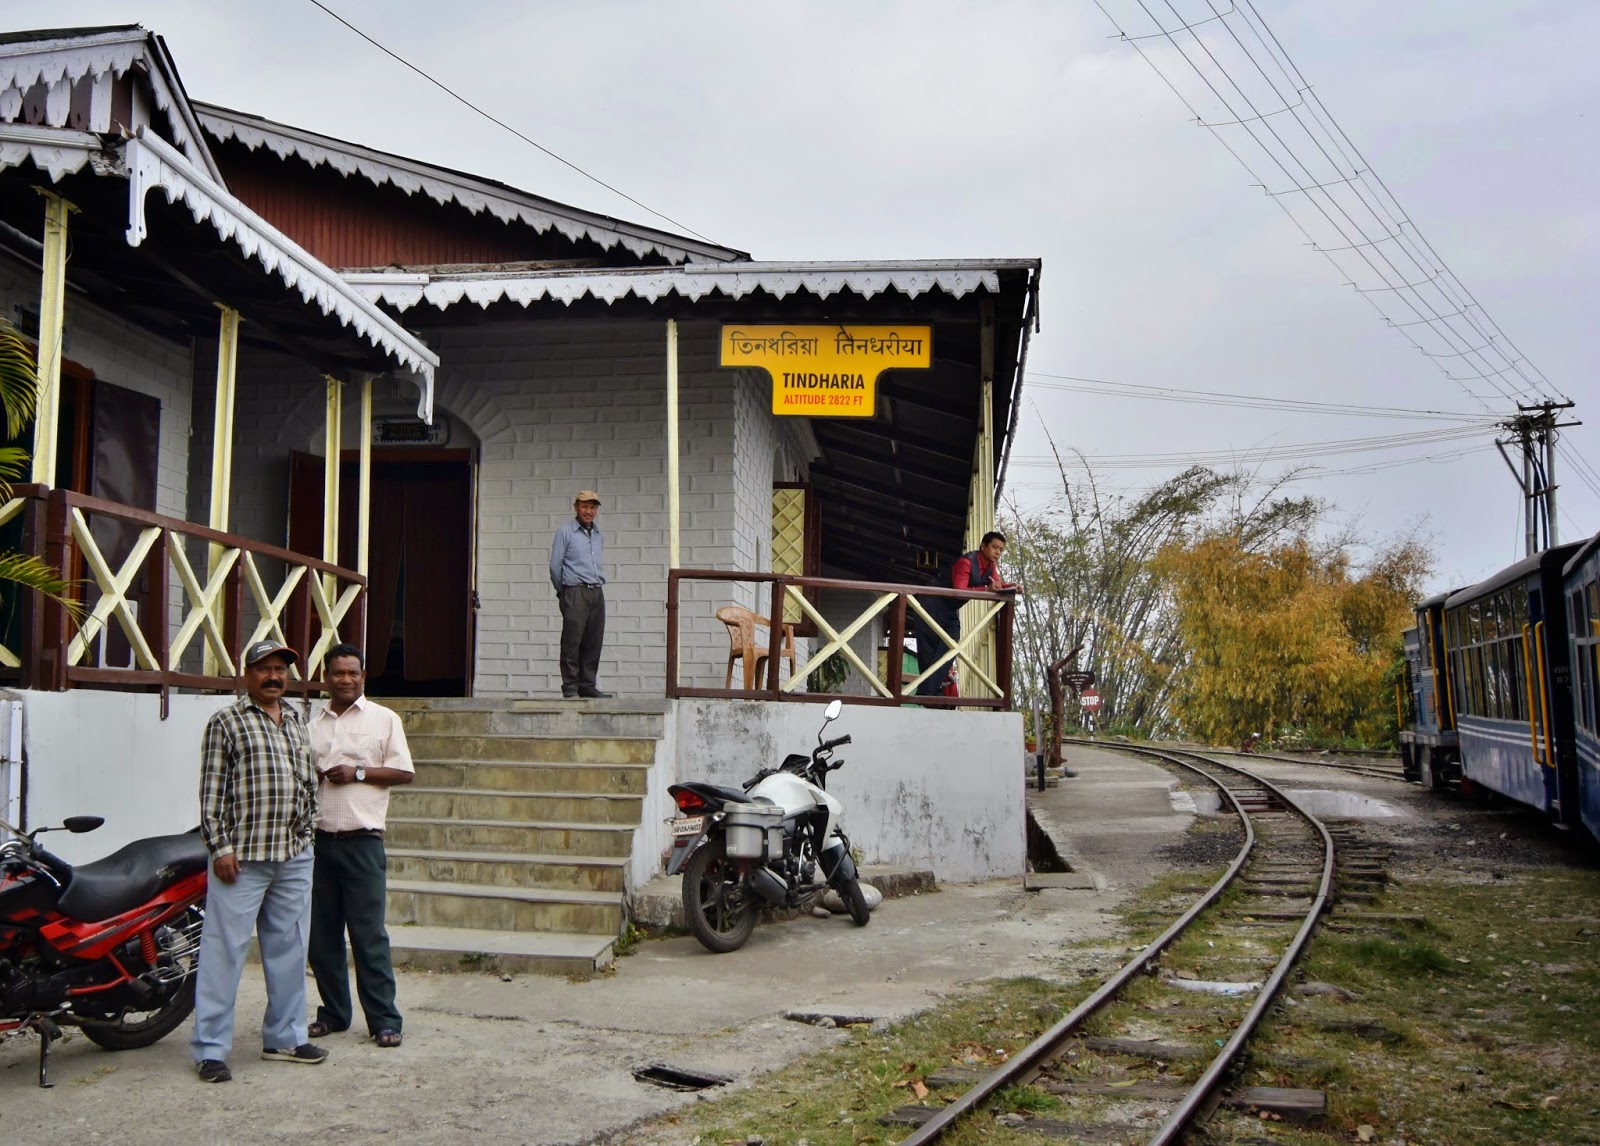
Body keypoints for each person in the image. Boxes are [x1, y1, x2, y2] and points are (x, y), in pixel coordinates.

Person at [191, 640, 326, 1083]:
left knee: (288, 949)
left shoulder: (295, 718)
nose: (274, 676)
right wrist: (220, 847)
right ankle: (211, 1049)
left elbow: (307, 782)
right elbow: (211, 792)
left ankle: (285, 1038)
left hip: (292, 855)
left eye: (280, 669)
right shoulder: (226, 721)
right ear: (247, 673)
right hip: (243, 858)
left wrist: (307, 833)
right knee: (223, 952)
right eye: (264, 668)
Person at [307, 643, 415, 1049]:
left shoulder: (384, 719)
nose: (346, 680)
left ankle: (385, 1020)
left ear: (363, 676)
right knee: (322, 938)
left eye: (353, 673)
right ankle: (334, 1014)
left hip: (363, 843)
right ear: (326, 677)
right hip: (317, 843)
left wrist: (358, 772)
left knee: (369, 936)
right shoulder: (311, 723)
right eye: (338, 673)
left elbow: (404, 773)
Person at [911, 531, 1016, 698]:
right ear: (983, 546)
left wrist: (1013, 586)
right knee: (930, 647)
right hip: (932, 602)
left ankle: (928, 690)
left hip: (949, 607)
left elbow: (997, 584)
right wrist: (985, 589)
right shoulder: (966, 562)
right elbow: (959, 592)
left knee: (951, 643)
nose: (998, 552)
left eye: (1001, 550)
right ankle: (929, 692)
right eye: (995, 547)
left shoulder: (991, 566)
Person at [549, 488, 612, 698]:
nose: (589, 511)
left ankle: (587, 684)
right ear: (576, 507)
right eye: (584, 506)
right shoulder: (565, 532)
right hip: (575, 590)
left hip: (596, 591)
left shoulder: (598, 533)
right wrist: (564, 592)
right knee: (572, 640)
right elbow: (555, 567)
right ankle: (570, 687)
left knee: (594, 640)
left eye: (592, 507)